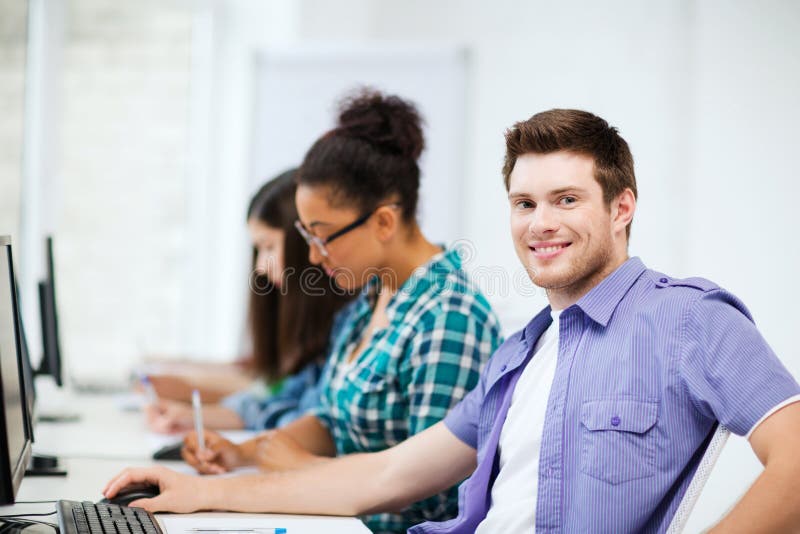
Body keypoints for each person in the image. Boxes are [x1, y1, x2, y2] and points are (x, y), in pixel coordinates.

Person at [105, 109, 800, 531]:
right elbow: (382, 478)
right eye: (524, 204)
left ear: (622, 208)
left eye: (566, 199)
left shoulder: (686, 319)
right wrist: (201, 493)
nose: (540, 223)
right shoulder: (523, 353)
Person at [146, 169, 352, 432]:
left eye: (269, 246)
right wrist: (191, 415)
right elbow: (279, 400)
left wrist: (191, 396)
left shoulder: (347, 322)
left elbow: (304, 419)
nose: (261, 267)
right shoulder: (313, 329)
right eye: (259, 249)